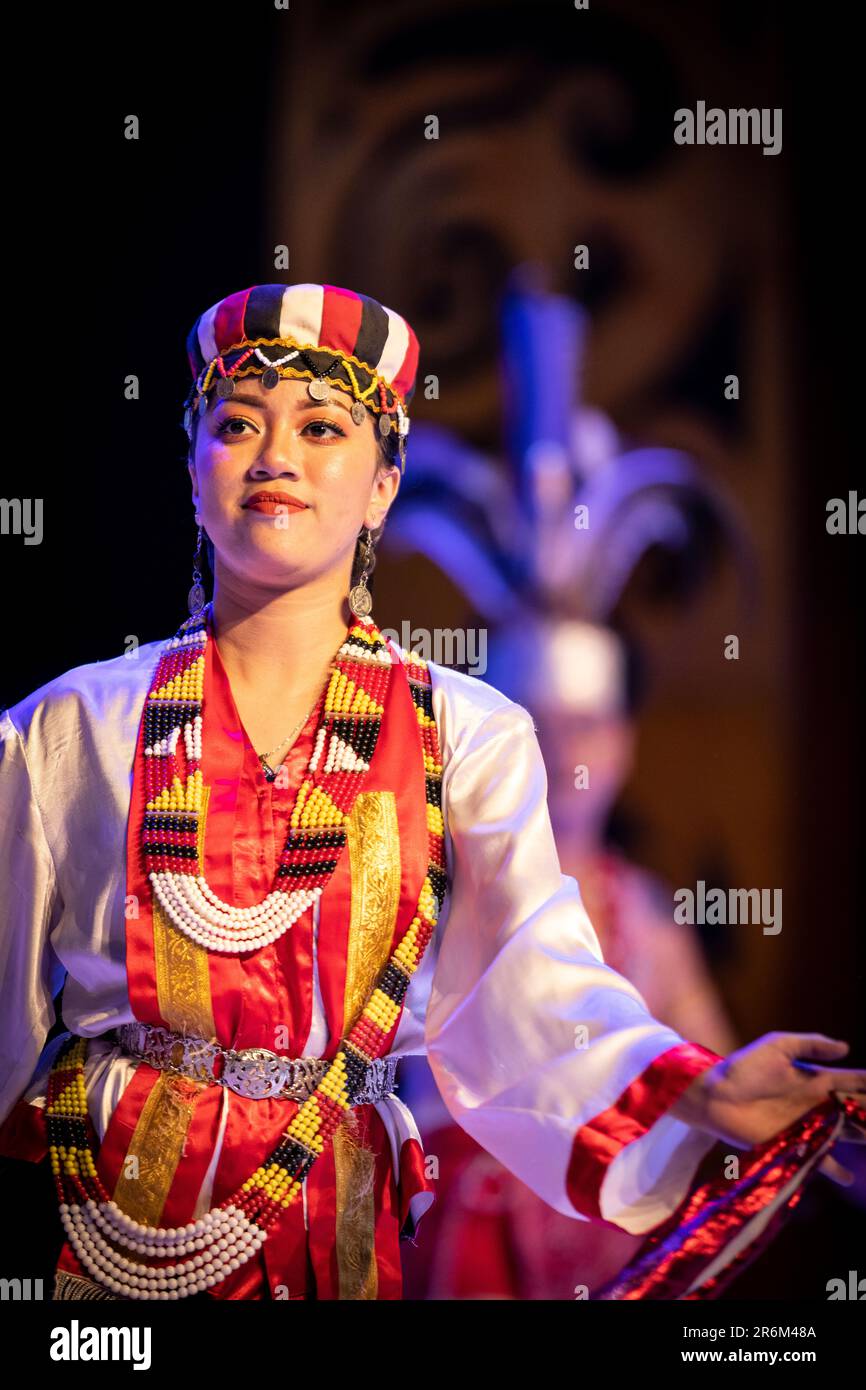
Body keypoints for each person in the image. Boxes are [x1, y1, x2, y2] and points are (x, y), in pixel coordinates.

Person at [0, 281, 863, 1303]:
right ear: (192, 469)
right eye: (236, 424)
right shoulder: (65, 728)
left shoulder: (465, 735)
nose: (274, 457)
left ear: (382, 483)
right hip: (110, 1246)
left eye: (321, 427)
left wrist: (706, 1088)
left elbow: (530, 993)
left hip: (342, 1235)